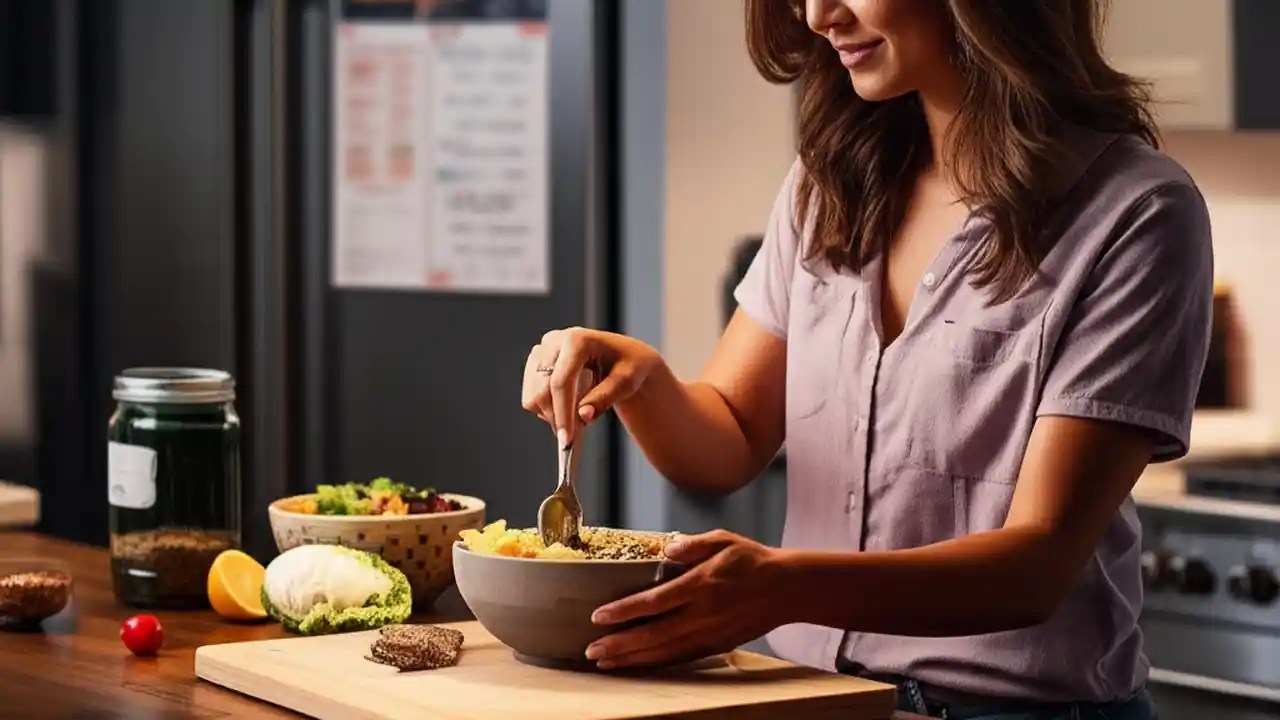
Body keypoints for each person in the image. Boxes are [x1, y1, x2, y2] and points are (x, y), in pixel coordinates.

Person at [520, 1, 1211, 717]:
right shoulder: (828, 186)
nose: (820, 15)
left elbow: (1037, 562)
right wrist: (641, 379)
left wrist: (784, 587)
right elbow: (726, 440)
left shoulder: (1136, 212)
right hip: (816, 699)